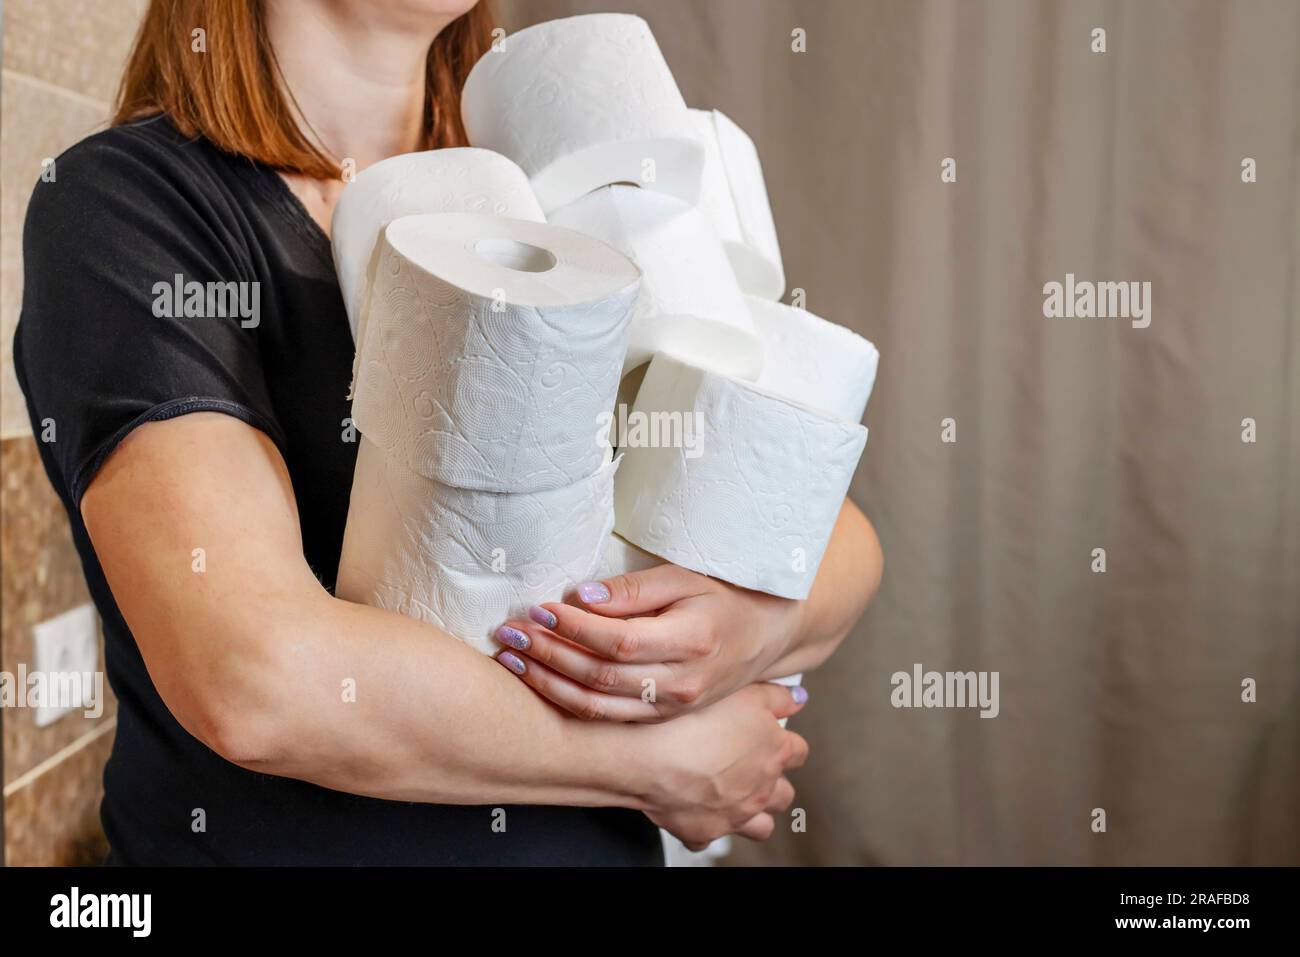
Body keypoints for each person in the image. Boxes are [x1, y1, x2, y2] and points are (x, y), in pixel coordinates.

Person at [13, 0, 883, 865]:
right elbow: (252, 677)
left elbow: (831, 530)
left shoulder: (558, 199)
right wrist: (652, 760)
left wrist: (734, 632)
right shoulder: (132, 205)